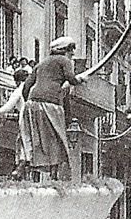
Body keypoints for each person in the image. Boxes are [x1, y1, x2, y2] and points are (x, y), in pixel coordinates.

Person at [17, 36, 86, 180]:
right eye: (71, 51)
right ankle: (54, 176)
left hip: (32, 103)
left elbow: (26, 87)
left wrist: (30, 102)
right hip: (52, 103)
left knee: (31, 137)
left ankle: (21, 166)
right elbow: (70, 78)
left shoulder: (40, 64)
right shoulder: (64, 61)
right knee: (56, 137)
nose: (72, 54)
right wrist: (79, 80)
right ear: (65, 50)